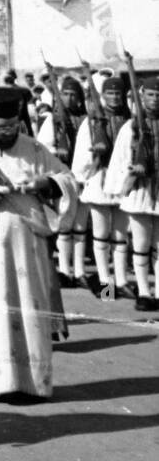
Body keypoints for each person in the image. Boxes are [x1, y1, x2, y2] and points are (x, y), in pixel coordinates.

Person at [0, 87, 79, 400]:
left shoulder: (34, 149)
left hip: (27, 243)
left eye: (12, 126)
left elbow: (69, 179)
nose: (7, 132)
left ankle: (30, 383)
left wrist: (45, 183)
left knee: (27, 309)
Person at [103, 75, 159, 311]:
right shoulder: (132, 126)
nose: (155, 100)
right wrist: (127, 177)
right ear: (142, 96)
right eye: (151, 95)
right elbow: (121, 158)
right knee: (141, 243)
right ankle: (144, 292)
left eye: (158, 96)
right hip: (139, 190)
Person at [73, 73, 131, 299]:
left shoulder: (130, 118)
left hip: (124, 181)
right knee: (100, 234)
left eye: (118, 93)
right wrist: (86, 170)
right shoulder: (93, 120)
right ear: (103, 95)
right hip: (100, 179)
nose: (114, 97)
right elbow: (83, 151)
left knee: (120, 234)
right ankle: (106, 283)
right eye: (110, 93)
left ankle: (123, 281)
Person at [37, 75, 90, 291]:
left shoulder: (87, 119)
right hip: (61, 177)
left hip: (84, 176)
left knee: (80, 225)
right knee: (64, 223)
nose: (69, 98)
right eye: (65, 94)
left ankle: (80, 272)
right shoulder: (53, 119)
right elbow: (40, 147)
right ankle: (65, 270)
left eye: (73, 94)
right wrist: (56, 152)